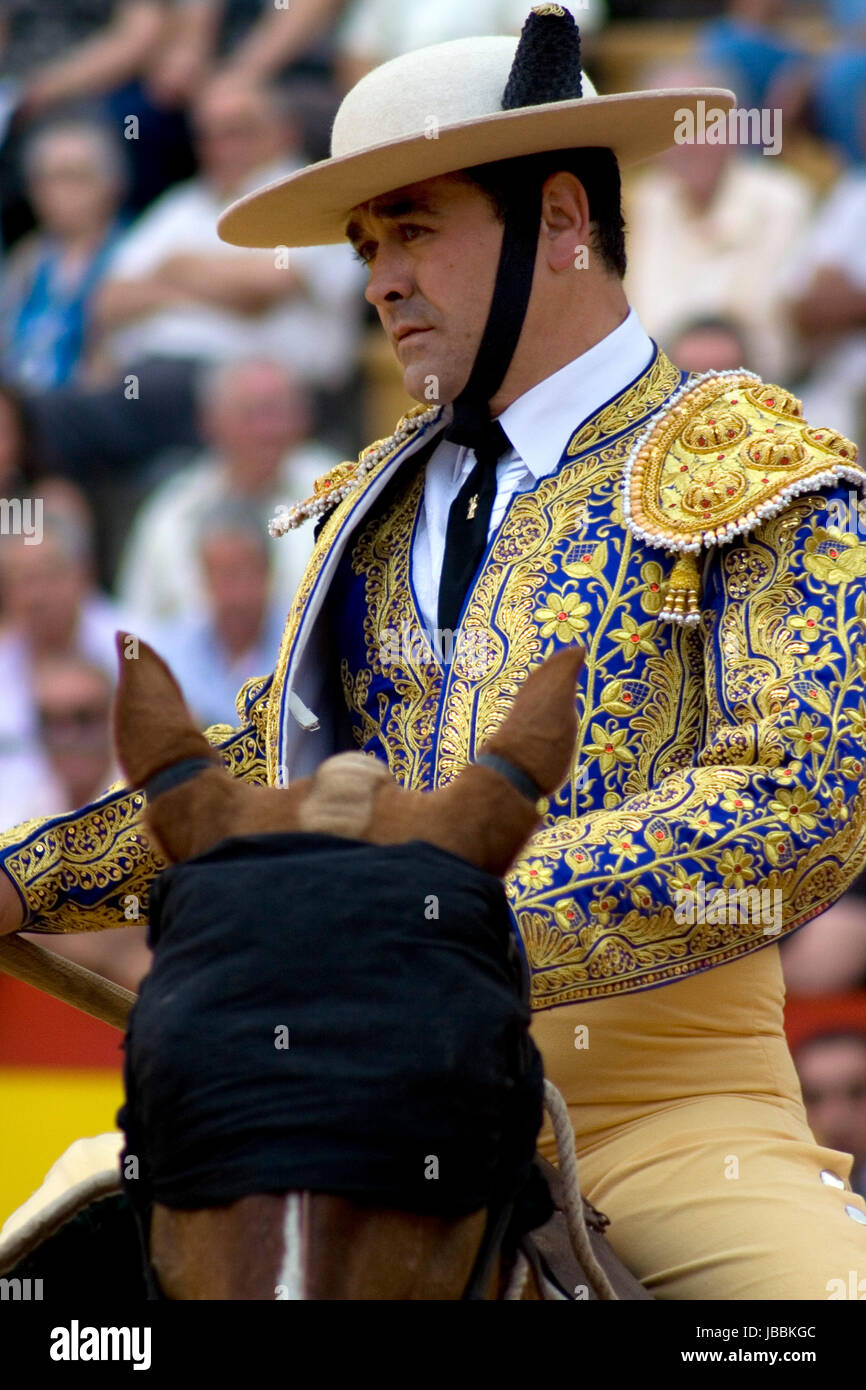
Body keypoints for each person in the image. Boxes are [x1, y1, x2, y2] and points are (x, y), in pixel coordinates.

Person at [2, 6, 866, 1299]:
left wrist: (430, 920)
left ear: (561, 219)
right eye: (363, 247)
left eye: (411, 229)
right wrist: (27, 882)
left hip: (660, 1124)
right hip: (332, 1099)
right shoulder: (372, 500)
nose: (379, 280)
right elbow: (258, 778)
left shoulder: (753, 466)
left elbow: (804, 796)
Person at [115, 359, 328, 627]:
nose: (266, 430)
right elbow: (136, 625)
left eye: (278, 412)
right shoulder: (171, 513)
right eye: (251, 415)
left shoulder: (342, 496)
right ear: (209, 422)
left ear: (304, 420)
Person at [0, 119, 127, 389]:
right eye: (44, 179)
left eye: (72, 176)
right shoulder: (26, 259)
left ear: (110, 183)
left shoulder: (132, 251)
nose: (56, 191)